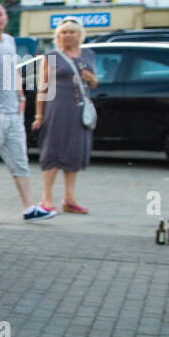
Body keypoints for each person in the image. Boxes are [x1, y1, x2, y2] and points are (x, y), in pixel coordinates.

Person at [0, 0, 56, 224]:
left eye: (0, 14)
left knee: (20, 160)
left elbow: (14, 70)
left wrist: (21, 97)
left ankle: (29, 208)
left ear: (6, 17)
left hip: (13, 115)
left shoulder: (9, 41)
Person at [33, 17, 97, 213]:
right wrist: (39, 115)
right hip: (57, 108)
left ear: (79, 35)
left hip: (78, 109)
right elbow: (42, 87)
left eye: (72, 32)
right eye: (64, 32)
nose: (68, 35)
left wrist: (91, 78)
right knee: (53, 150)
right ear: (58, 36)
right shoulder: (51, 56)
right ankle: (46, 198)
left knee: (74, 152)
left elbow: (94, 84)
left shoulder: (88, 54)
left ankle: (69, 198)